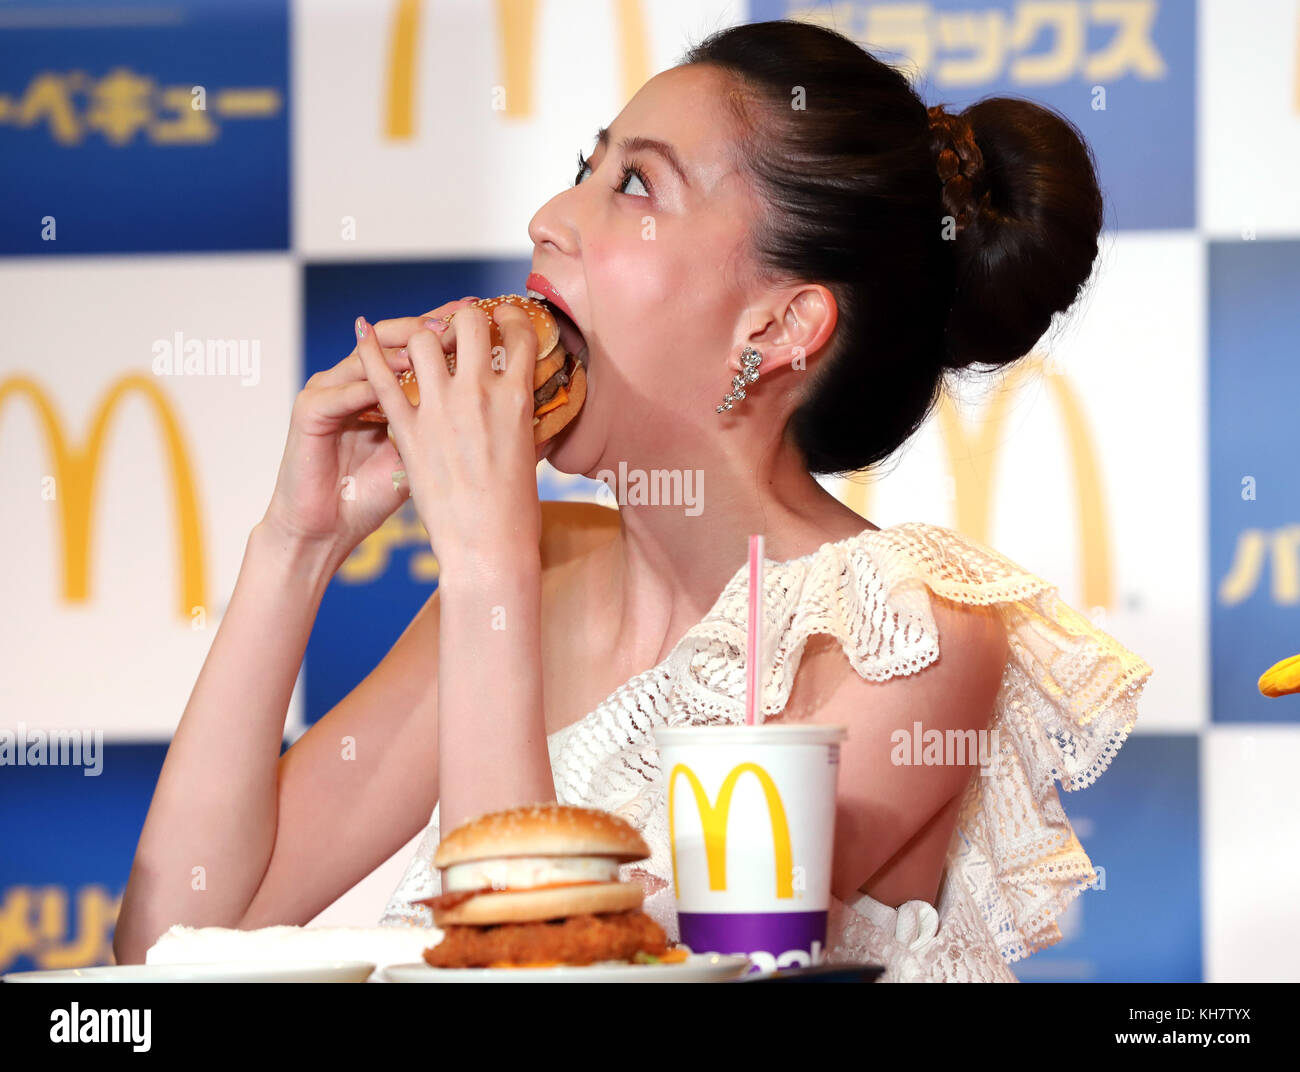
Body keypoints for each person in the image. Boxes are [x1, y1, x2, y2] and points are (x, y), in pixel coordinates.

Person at [113, 20, 1152, 982]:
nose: (550, 219)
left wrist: (485, 566)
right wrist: (296, 543)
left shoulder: (909, 629)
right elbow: (173, 947)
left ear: (779, 327)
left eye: (637, 187)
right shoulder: (546, 566)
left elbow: (536, 980)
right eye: (585, 169)